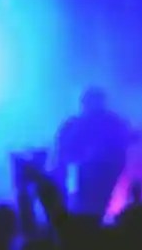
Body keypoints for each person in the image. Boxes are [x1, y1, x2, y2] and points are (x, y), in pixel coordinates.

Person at [54, 87, 137, 220]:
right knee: (88, 204)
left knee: (95, 204)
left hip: (106, 169)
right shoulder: (77, 123)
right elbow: (64, 148)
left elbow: (124, 139)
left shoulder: (111, 122)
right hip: (89, 170)